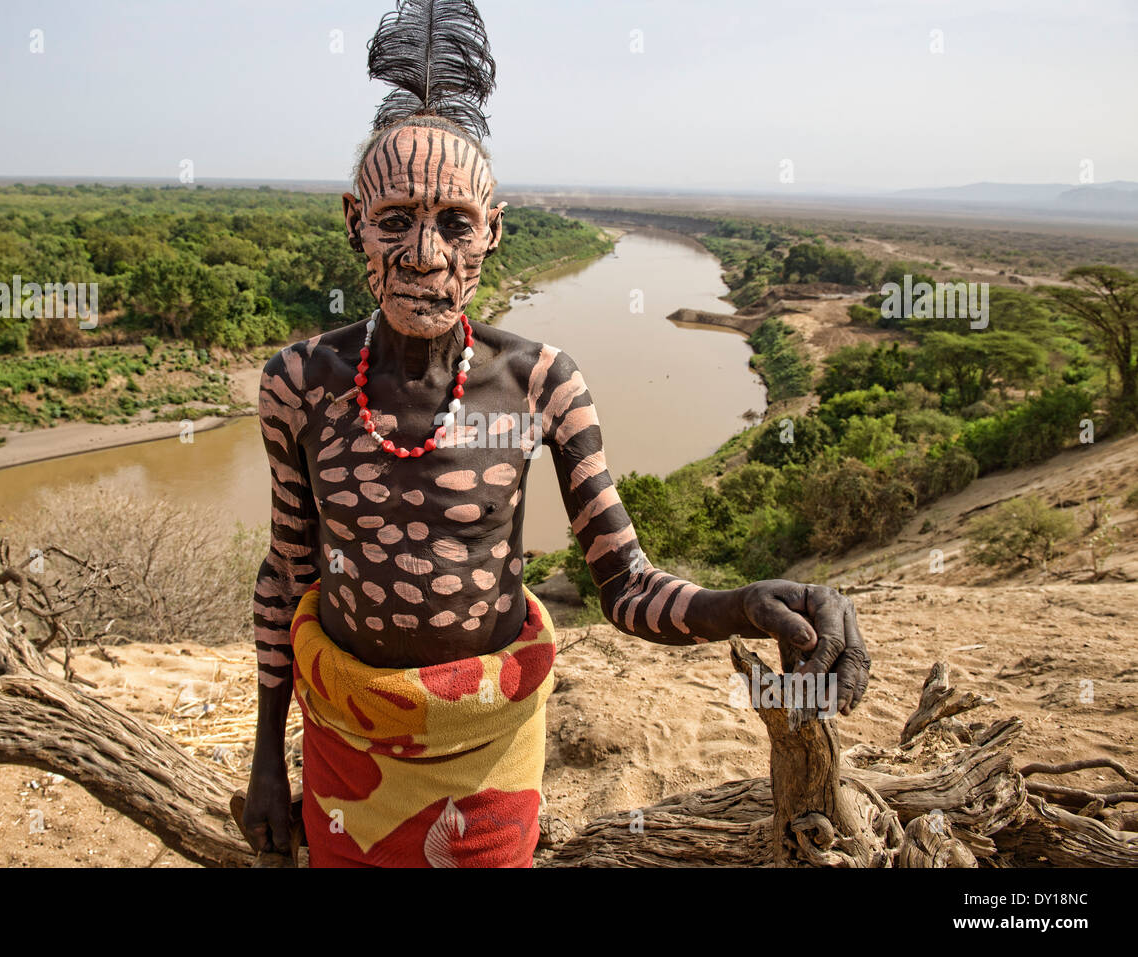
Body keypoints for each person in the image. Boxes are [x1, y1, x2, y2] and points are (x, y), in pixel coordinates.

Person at [243, 0, 870, 868]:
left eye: (455, 223)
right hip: (347, 739)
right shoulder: (298, 385)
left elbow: (625, 584)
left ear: (492, 234)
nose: (424, 252)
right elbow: (288, 578)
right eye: (395, 221)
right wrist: (267, 761)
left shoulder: (541, 383)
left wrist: (747, 605)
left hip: (489, 747)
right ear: (356, 223)